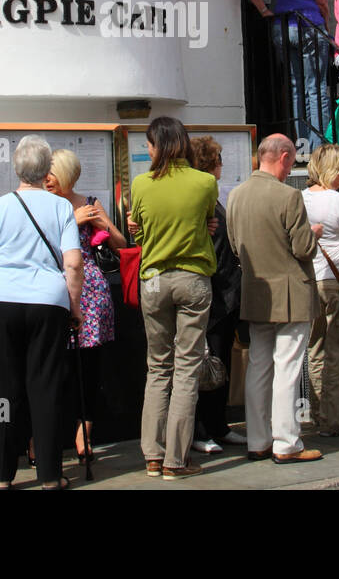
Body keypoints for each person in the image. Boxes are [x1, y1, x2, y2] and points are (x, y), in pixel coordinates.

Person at [0, 136, 83, 490]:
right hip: (48, 302)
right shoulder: (61, 208)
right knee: (45, 387)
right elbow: (74, 264)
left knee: (2, 389)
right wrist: (74, 308)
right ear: (46, 170)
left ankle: (1, 474)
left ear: (16, 168)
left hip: (1, 301)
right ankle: (49, 474)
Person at [129, 116, 218, 480]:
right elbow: (208, 224)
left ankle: (152, 452)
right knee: (186, 369)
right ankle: (175, 460)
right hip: (193, 278)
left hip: (153, 279)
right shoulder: (205, 182)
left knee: (158, 367)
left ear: (156, 147)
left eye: (148, 145)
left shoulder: (141, 184)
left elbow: (140, 234)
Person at [227, 133, 323, 465]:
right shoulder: (289, 196)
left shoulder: (236, 196)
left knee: (259, 366)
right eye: (291, 160)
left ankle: (258, 440)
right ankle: (286, 442)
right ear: (282, 157)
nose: (290, 168)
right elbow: (302, 248)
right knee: (288, 368)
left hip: (255, 291)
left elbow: (234, 243)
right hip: (291, 291)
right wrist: (314, 235)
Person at [44, 148, 125, 462]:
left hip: (90, 292)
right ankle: (43, 437)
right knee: (53, 369)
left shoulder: (88, 202)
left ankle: (84, 436)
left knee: (90, 369)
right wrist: (71, 222)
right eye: (46, 175)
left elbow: (120, 245)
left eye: (54, 175)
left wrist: (103, 221)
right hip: (55, 287)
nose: (48, 180)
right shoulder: (43, 205)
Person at [242, 0, 332, 150]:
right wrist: (328, 25)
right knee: (316, 87)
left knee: (295, 85)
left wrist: (265, 11)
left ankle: (301, 144)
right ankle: (319, 146)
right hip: (310, 26)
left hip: (283, 27)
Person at [188, 135, 245, 454]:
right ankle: (201, 429)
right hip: (213, 293)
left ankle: (218, 425)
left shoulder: (213, 196)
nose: (223, 165)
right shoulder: (203, 197)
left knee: (221, 362)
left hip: (227, 292)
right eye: (220, 159)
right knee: (206, 363)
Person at [302, 143, 339, 438]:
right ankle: (333, 419)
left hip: (311, 278)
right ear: (332, 170)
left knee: (315, 348)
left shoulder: (300, 199)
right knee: (337, 350)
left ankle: (317, 412)